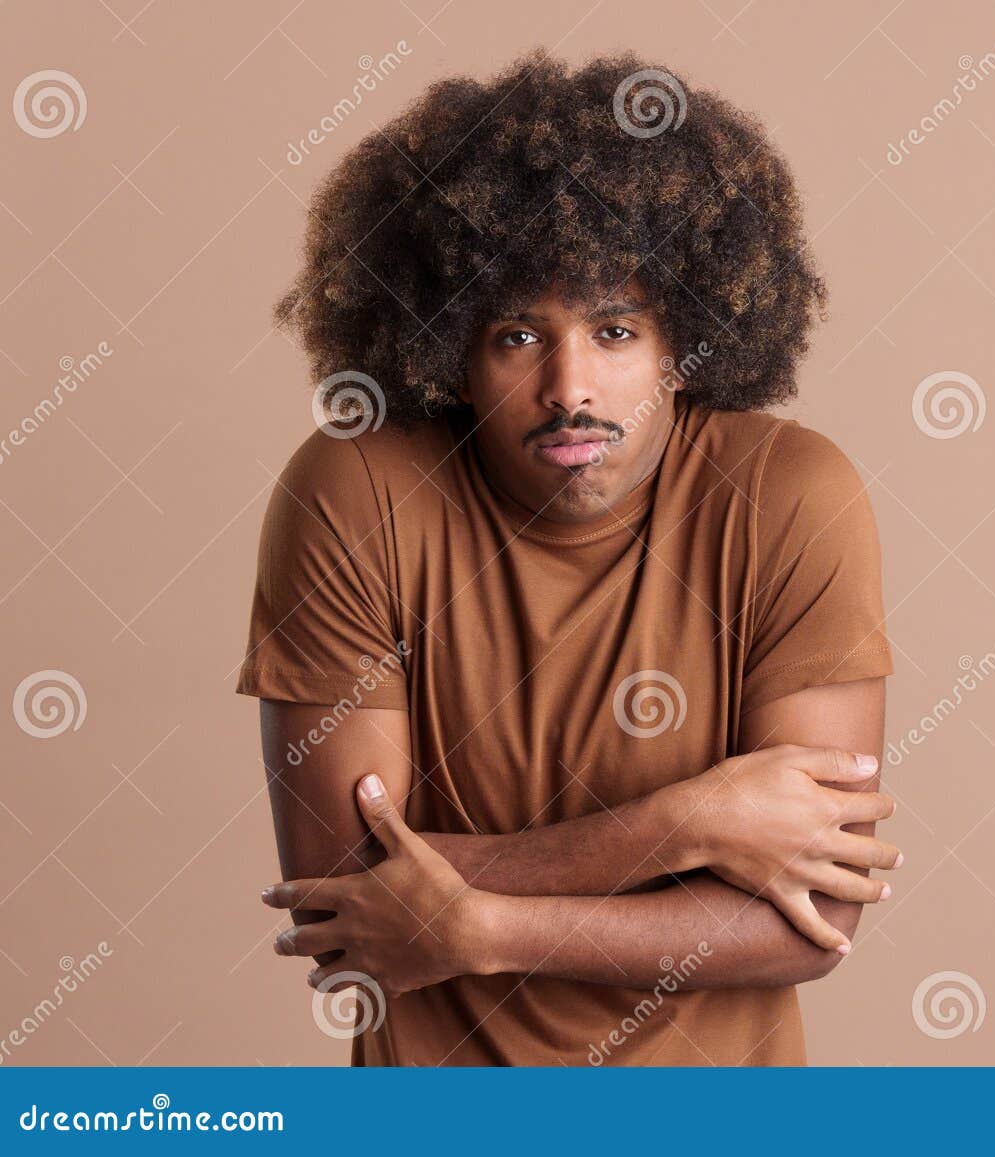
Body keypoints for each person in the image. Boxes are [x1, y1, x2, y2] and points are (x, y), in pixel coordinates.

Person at [236, 49, 898, 1066]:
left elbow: (804, 922)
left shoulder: (788, 498)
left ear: (692, 338)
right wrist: (689, 822)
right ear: (444, 342)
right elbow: (347, 902)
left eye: (616, 328)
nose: (568, 386)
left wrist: (478, 924)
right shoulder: (355, 493)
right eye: (514, 335)